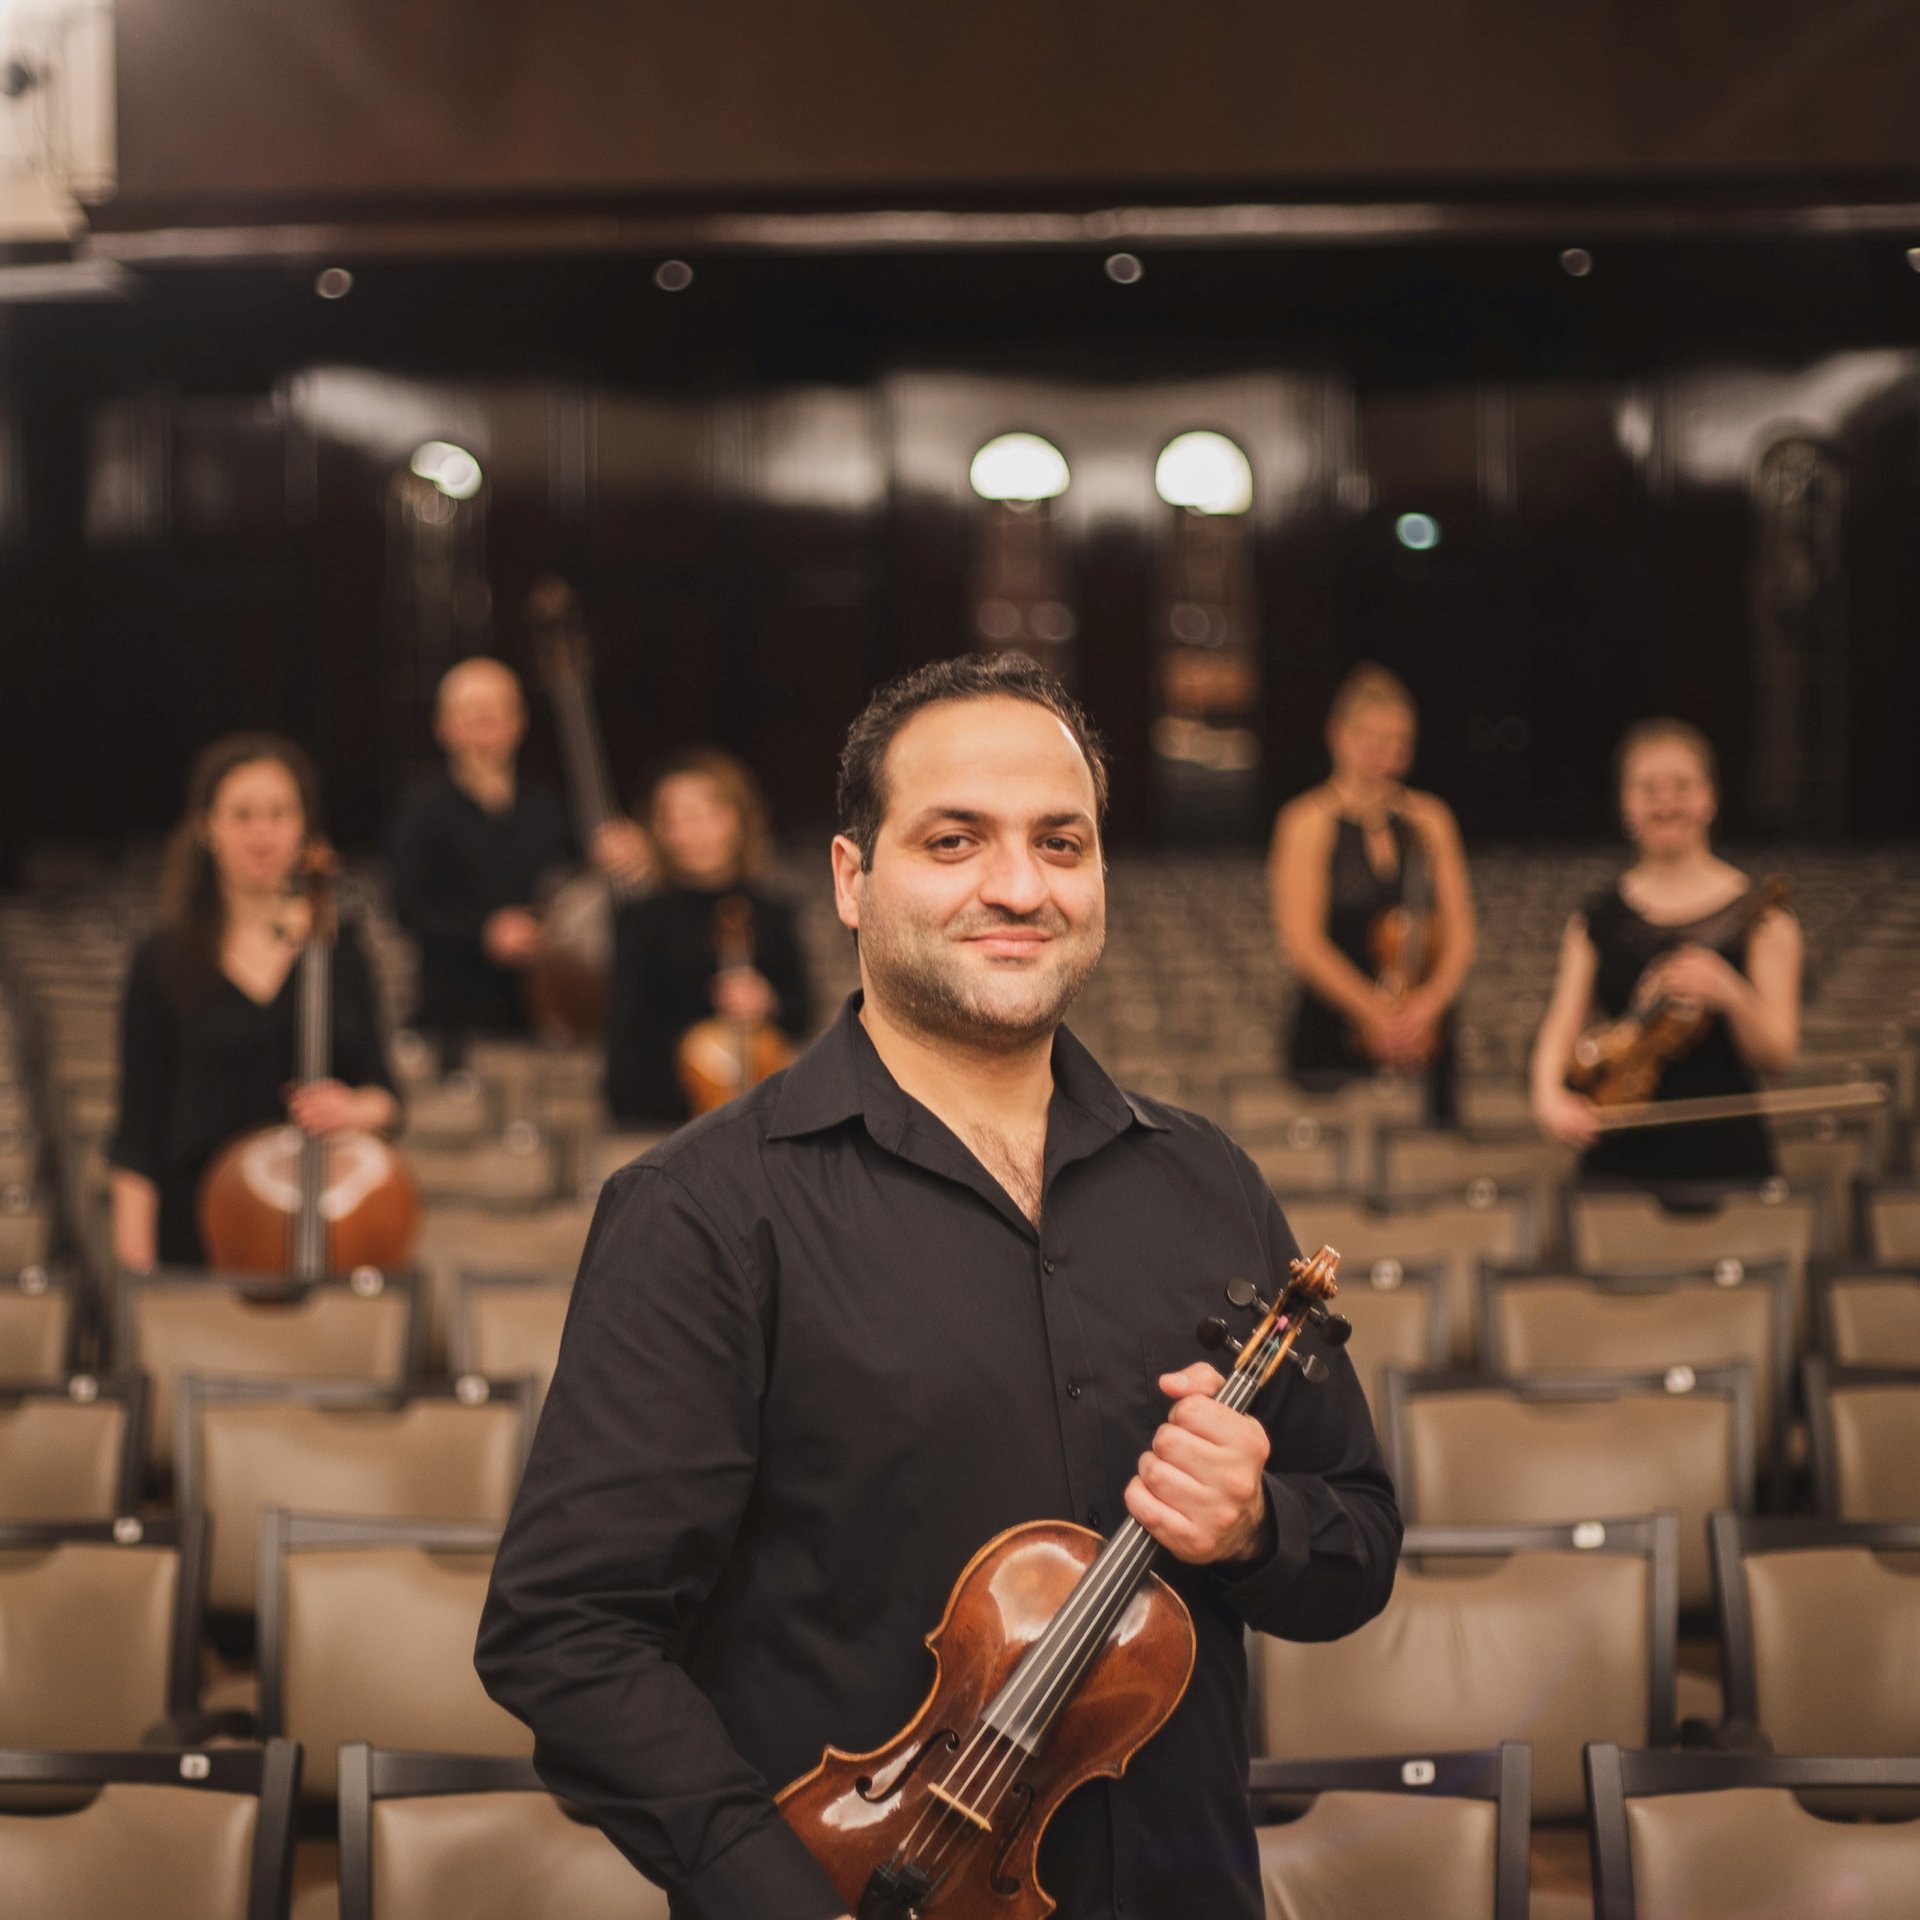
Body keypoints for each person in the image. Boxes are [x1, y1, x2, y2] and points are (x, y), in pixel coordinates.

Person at [477, 653, 1401, 1920]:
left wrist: (1254, 1529)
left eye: (1060, 844)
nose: (1018, 887)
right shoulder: (701, 1210)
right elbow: (567, 1636)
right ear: (855, 881)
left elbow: (1356, 1542)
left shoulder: (1208, 1184)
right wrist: (790, 1894)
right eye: (955, 840)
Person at [109, 734, 400, 1272]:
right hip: (194, 1239)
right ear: (207, 829)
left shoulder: (340, 950)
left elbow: (388, 1097)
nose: (261, 832)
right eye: (241, 815)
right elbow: (138, 1135)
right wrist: (138, 1285)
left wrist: (353, 1109)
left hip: (322, 1227)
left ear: (303, 827)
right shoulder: (161, 960)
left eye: (279, 813)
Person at [1529, 718, 1802, 1183]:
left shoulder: (1764, 919)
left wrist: (1729, 992)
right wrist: (1548, 1098)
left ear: (1710, 798)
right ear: (1625, 805)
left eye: (1682, 785)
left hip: (1729, 1157)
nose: (1666, 801)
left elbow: (1777, 1056)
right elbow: (1559, 1031)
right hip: (1619, 1155)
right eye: (1648, 788)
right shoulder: (1594, 919)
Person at [387, 657, 648, 1056]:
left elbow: (578, 884)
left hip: (545, 1011)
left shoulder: (546, 807)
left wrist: (626, 851)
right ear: (443, 727)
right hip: (456, 1022)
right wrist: (485, 932)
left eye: (498, 711)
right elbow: (406, 908)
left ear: (519, 722)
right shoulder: (420, 811)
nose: (487, 724)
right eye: (471, 713)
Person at [1267, 663, 1476, 1124]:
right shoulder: (1304, 821)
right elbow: (1302, 943)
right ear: (1337, 735)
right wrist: (1375, 1014)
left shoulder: (1431, 820)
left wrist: (1426, 1009)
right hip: (1334, 1026)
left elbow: (1461, 935)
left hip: (1426, 1033)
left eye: (1400, 742)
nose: (1388, 754)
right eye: (1373, 739)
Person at [602, 746, 813, 1127]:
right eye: (677, 818)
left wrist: (769, 1000)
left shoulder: (773, 912)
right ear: (659, 830)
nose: (694, 830)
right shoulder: (641, 918)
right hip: (665, 1113)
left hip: (759, 1114)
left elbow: (802, 1012)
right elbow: (627, 1037)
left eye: (708, 813)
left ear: (739, 818)